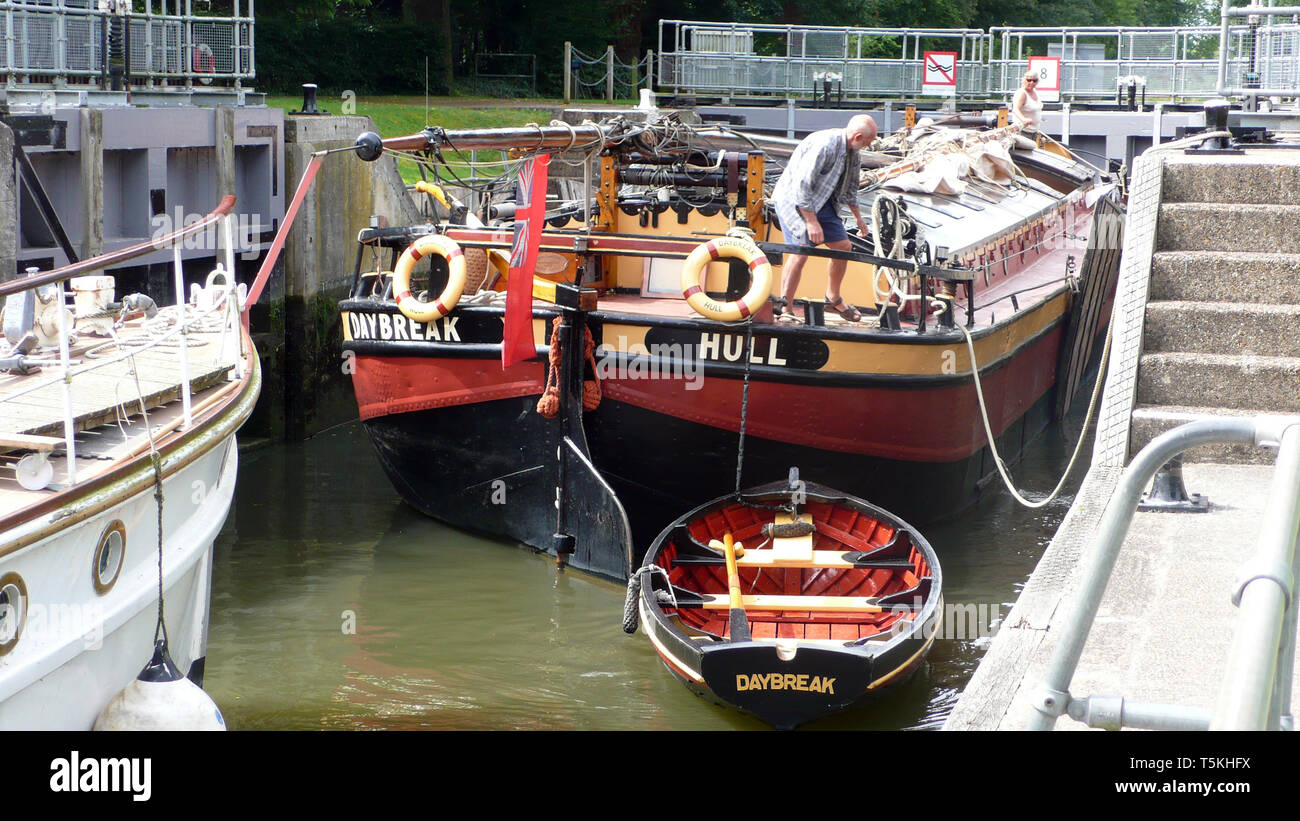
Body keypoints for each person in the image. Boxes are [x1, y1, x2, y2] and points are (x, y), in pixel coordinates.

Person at [771, 114, 878, 323]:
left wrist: (859, 218)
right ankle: (786, 307)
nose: (870, 144)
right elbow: (802, 186)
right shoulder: (825, 146)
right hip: (794, 200)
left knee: (843, 246)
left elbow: (851, 188)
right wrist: (811, 222)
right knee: (801, 249)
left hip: (824, 200)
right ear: (857, 136)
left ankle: (832, 297)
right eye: (869, 140)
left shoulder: (853, 153)